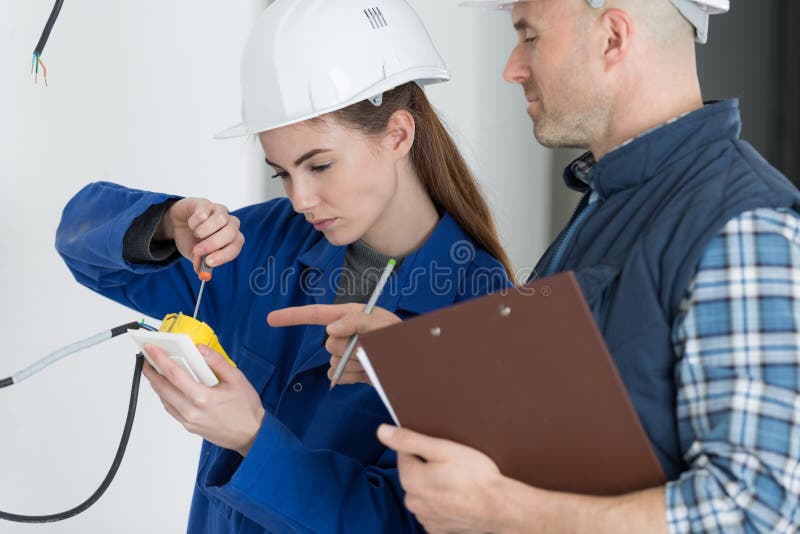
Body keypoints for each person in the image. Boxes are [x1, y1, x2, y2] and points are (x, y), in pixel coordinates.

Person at [271, 0, 800, 532]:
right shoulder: (609, 209)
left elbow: (757, 511)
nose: (512, 68)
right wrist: (419, 366)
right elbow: (579, 429)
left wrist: (499, 509)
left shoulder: (740, 226)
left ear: (613, 38)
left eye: (529, 36)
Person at [54, 0, 513, 532]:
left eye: (320, 165)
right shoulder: (266, 243)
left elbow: (408, 522)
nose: (300, 199)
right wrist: (165, 223)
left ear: (398, 135)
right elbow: (82, 245)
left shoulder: (479, 305)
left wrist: (251, 436)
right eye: (282, 174)